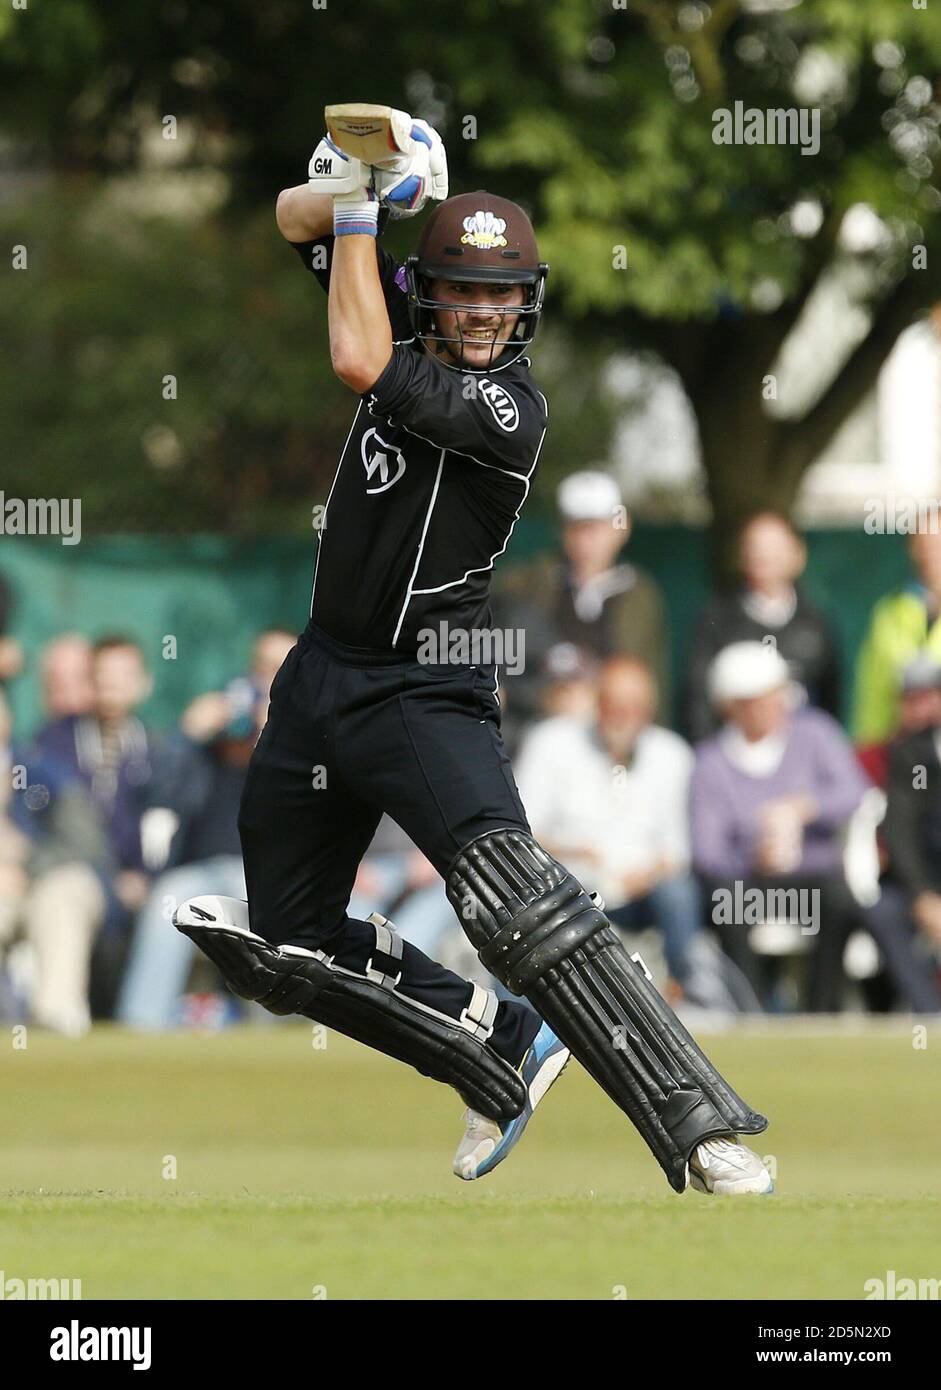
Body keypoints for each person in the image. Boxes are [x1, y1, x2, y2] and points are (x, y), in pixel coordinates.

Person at [173, 112, 769, 1196]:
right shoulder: (393, 298)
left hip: (424, 685)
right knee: (286, 950)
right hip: (318, 679)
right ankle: (492, 1043)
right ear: (428, 292)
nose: (484, 313)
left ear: (523, 303)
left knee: (512, 896)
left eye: (502, 296)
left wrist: (361, 206)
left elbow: (356, 356)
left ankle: (697, 1121)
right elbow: (286, 216)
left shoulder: (508, 409)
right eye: (461, 292)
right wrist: (367, 190)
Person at [117, 629, 295, 1029]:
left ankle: (271, 1036)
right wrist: (186, 735)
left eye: (279, 668)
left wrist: (277, 739)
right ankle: (141, 1027)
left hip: (267, 876)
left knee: (269, 916)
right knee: (166, 901)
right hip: (197, 873)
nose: (266, 678)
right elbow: (154, 795)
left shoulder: (308, 736)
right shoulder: (205, 749)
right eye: (261, 667)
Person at [691, 642, 868, 1011]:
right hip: (751, 887)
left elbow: (855, 791)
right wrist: (756, 859)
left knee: (841, 903)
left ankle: (822, 1013)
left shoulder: (815, 733)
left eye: (777, 694)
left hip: (812, 884)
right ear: (730, 707)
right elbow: (708, 854)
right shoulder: (711, 763)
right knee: (725, 905)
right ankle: (752, 1013)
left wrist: (807, 807)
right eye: (761, 698)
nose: (776, 705)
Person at [514, 657, 701, 996]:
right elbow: (523, 832)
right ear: (598, 704)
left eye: (636, 708)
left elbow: (677, 851)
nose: (625, 718)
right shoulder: (550, 743)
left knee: (678, 894)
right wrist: (578, 852)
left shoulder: (673, 755)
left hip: (642, 895)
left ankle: (685, 995)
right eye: (616, 707)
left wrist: (646, 874)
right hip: (568, 888)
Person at [494, 470, 670, 728]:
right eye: (577, 527)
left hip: (611, 730)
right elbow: (502, 669)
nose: (586, 540)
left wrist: (598, 701)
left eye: (596, 528)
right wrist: (544, 697)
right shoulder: (525, 583)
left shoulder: (640, 595)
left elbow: (650, 684)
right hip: (535, 727)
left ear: (622, 528)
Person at [685, 511, 841, 743]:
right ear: (743, 555)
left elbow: (832, 699)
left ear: (798, 555)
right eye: (756, 547)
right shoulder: (716, 618)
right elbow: (698, 701)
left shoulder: (817, 621)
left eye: (774, 549)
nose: (763, 556)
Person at [863, 657, 941, 1012]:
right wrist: (923, 896)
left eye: (930, 696)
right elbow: (900, 829)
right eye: (913, 697)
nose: (922, 706)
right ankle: (930, 1014)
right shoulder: (910, 753)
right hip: (924, 882)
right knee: (884, 912)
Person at [853, 528, 941, 744]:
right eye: (924, 542)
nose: (930, 551)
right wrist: (870, 749)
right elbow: (872, 694)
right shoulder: (888, 611)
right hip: (903, 752)